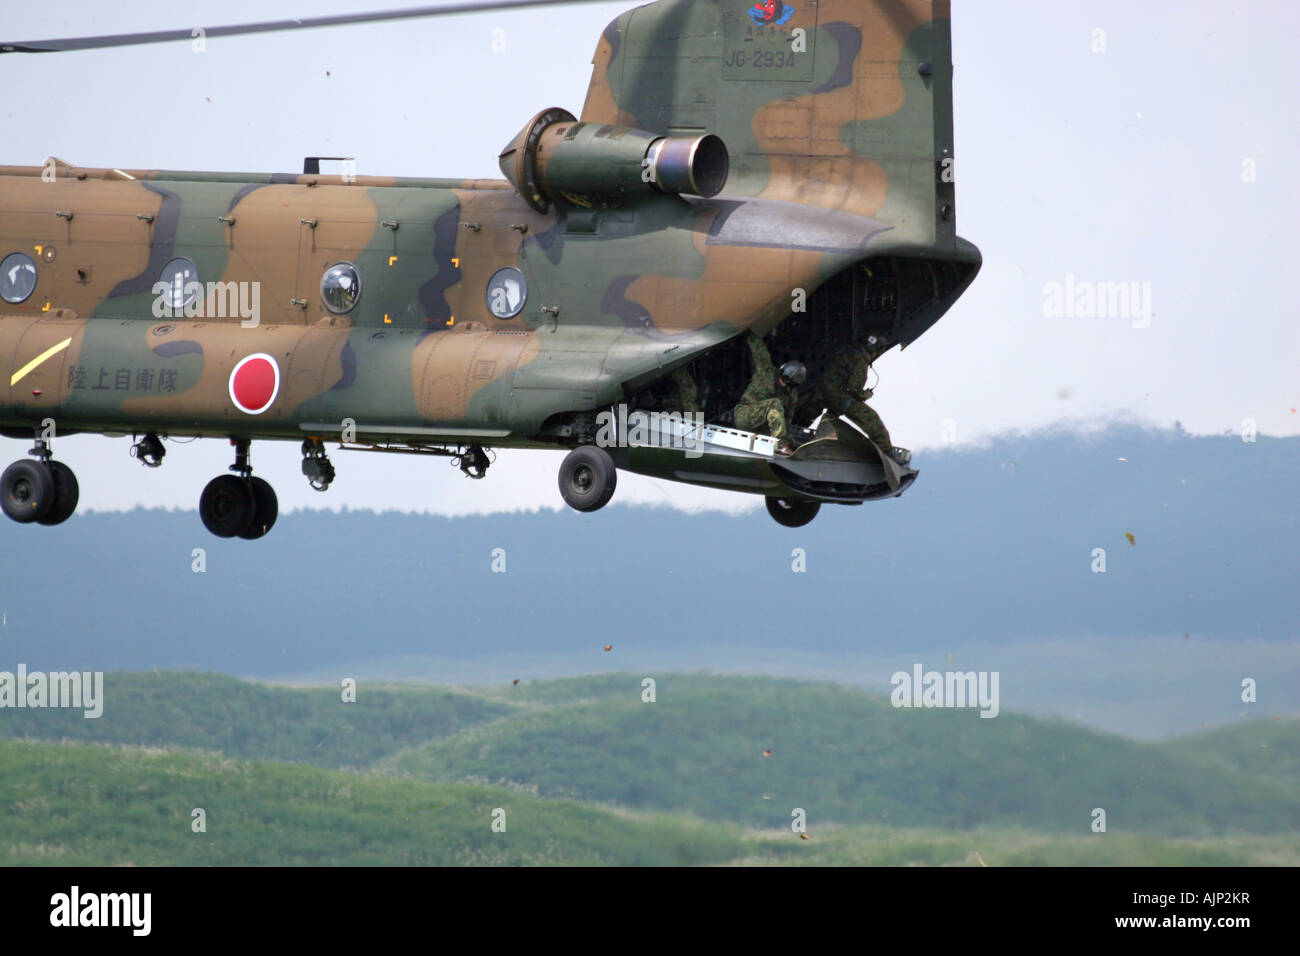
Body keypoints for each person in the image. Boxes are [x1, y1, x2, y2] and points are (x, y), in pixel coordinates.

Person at [817, 336, 907, 484]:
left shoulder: (850, 351)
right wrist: (865, 395)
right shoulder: (860, 360)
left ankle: (825, 438)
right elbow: (854, 389)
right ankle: (885, 451)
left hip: (825, 391)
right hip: (838, 396)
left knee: (833, 416)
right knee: (870, 417)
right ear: (876, 351)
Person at [732, 331, 805, 456]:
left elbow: (786, 420)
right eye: (784, 379)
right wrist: (748, 330)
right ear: (781, 372)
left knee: (789, 436)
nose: (784, 384)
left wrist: (789, 440)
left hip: (763, 427)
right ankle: (780, 443)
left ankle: (783, 442)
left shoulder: (791, 396)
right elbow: (759, 351)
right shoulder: (766, 372)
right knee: (775, 404)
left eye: (790, 384)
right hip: (745, 415)